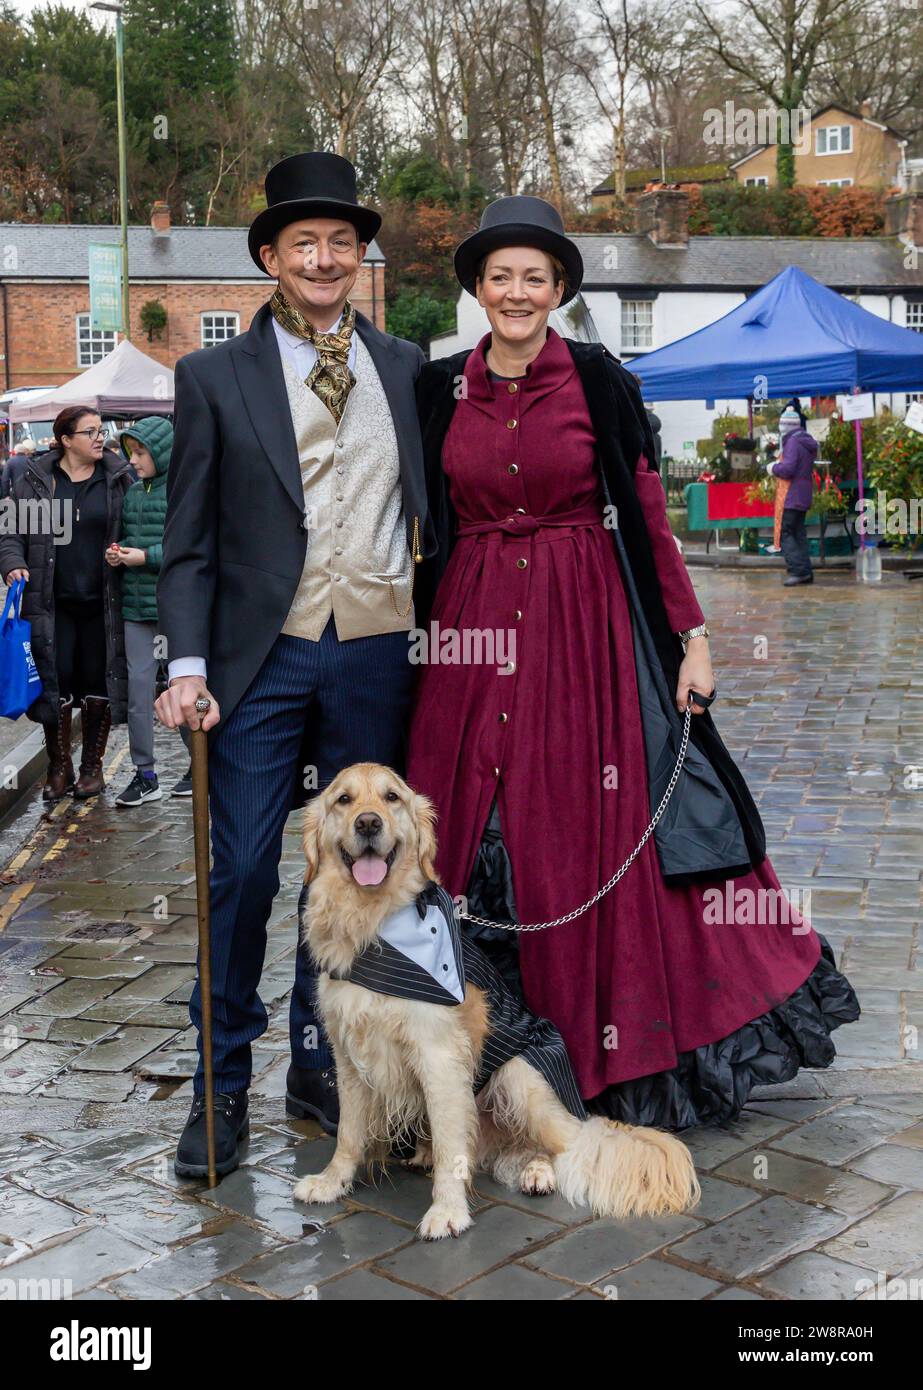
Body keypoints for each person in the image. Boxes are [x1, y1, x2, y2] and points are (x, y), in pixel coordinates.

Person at [407, 196, 859, 1130]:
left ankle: (603, 1050)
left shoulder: (602, 383)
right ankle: (465, 1057)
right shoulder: (436, 388)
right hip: (471, 625)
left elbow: (647, 517)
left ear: (560, 289)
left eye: (535, 277)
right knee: (464, 827)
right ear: (477, 291)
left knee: (582, 821)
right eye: (500, 277)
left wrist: (692, 638)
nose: (517, 292)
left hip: (585, 630)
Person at [155, 152, 433, 1178]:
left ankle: (326, 1070)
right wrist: (186, 663)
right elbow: (186, 541)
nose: (324, 259)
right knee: (237, 875)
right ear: (271, 257)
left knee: (363, 871)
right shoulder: (211, 376)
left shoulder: (405, 368)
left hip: (373, 657)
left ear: (361, 258)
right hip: (256, 663)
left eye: (341, 243)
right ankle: (218, 1087)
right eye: (302, 243)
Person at [0, 406, 132, 798]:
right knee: (52, 682)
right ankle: (59, 767)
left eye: (100, 430)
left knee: (97, 681)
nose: (99, 437)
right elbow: (9, 533)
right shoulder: (34, 478)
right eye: (90, 431)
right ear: (66, 439)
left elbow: (138, 527)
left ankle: (92, 768)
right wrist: (12, 564)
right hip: (49, 602)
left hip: (103, 603)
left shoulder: (117, 478)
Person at [107, 417, 191, 805]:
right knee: (139, 693)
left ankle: (201, 766)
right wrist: (119, 552)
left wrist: (145, 557)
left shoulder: (185, 491)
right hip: (136, 607)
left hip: (177, 608)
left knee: (187, 687)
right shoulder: (134, 493)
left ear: (161, 451)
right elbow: (131, 538)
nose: (134, 460)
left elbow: (191, 548)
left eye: (141, 452)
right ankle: (145, 774)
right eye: (130, 452)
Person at [771, 405, 818, 587]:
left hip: (792, 495)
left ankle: (798, 571)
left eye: (782, 424)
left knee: (787, 532)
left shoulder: (792, 442)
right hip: (803, 494)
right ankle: (805, 571)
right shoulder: (805, 440)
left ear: (788, 426)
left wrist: (773, 467)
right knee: (798, 533)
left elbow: (788, 469)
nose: (780, 427)